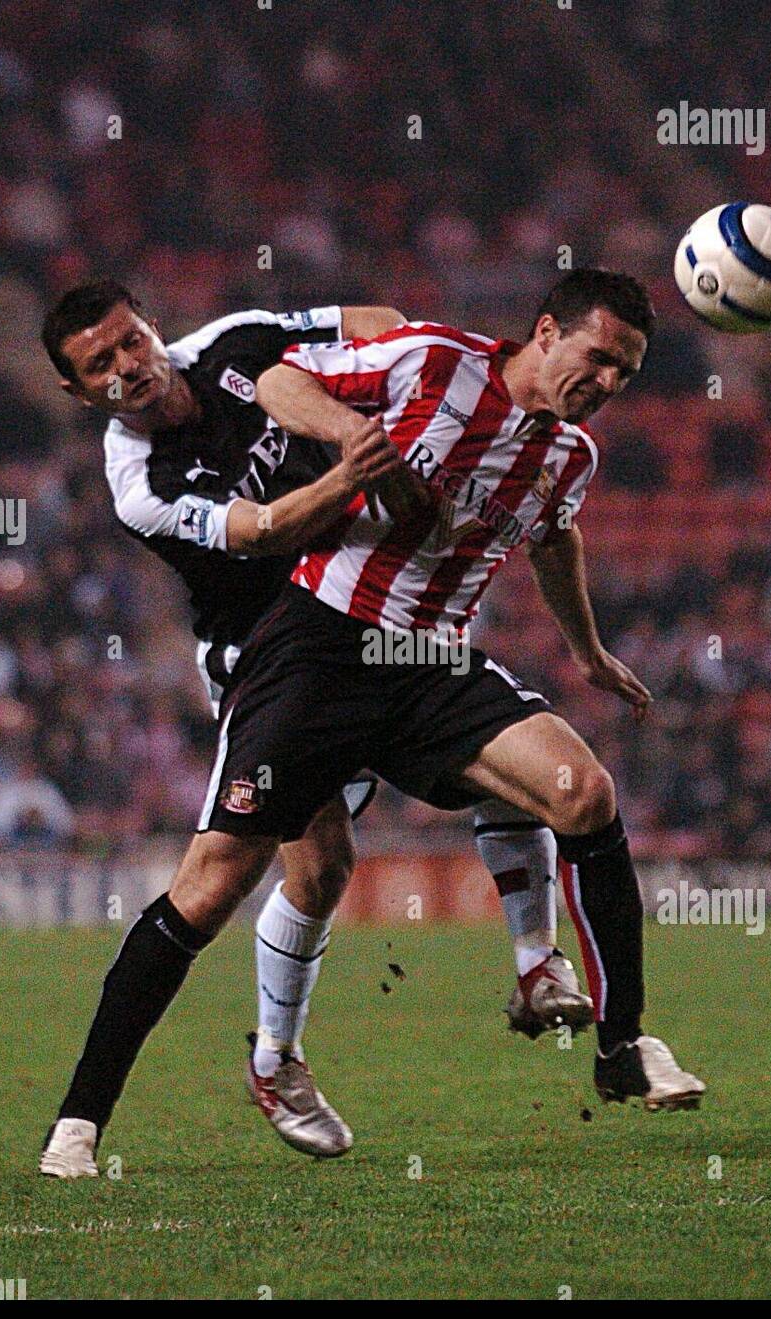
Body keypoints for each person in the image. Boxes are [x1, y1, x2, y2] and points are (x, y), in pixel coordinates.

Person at [38, 281, 593, 1176]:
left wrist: (418, 387)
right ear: (77, 391)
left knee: (512, 749)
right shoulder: (138, 482)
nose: (128, 369)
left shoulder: (229, 340)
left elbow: (372, 325)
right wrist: (357, 463)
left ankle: (537, 965)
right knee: (246, 879)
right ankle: (92, 1117)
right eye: (100, 366)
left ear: (150, 325)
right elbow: (262, 530)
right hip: (272, 659)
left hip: (377, 622)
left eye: (130, 342)